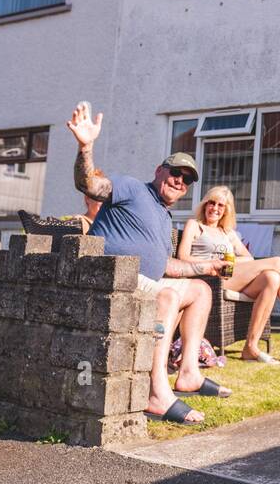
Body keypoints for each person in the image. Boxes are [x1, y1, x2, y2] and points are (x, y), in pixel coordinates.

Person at [68, 101, 230, 425]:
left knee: (200, 291)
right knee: (167, 296)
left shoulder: (163, 215)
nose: (180, 181)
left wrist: (207, 267)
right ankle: (156, 392)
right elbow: (89, 185)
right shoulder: (131, 188)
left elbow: (167, 266)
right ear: (159, 171)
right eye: (175, 173)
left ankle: (189, 374)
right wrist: (86, 147)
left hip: (145, 279)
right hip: (111, 276)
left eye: (186, 180)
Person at [177, 185, 280, 365]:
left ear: (226, 210)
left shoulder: (227, 232)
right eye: (211, 203)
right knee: (277, 262)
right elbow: (182, 257)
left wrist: (229, 262)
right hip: (207, 278)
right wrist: (213, 263)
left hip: (228, 276)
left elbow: (248, 259)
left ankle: (251, 347)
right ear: (204, 204)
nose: (215, 208)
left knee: (272, 277)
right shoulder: (195, 225)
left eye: (220, 206)